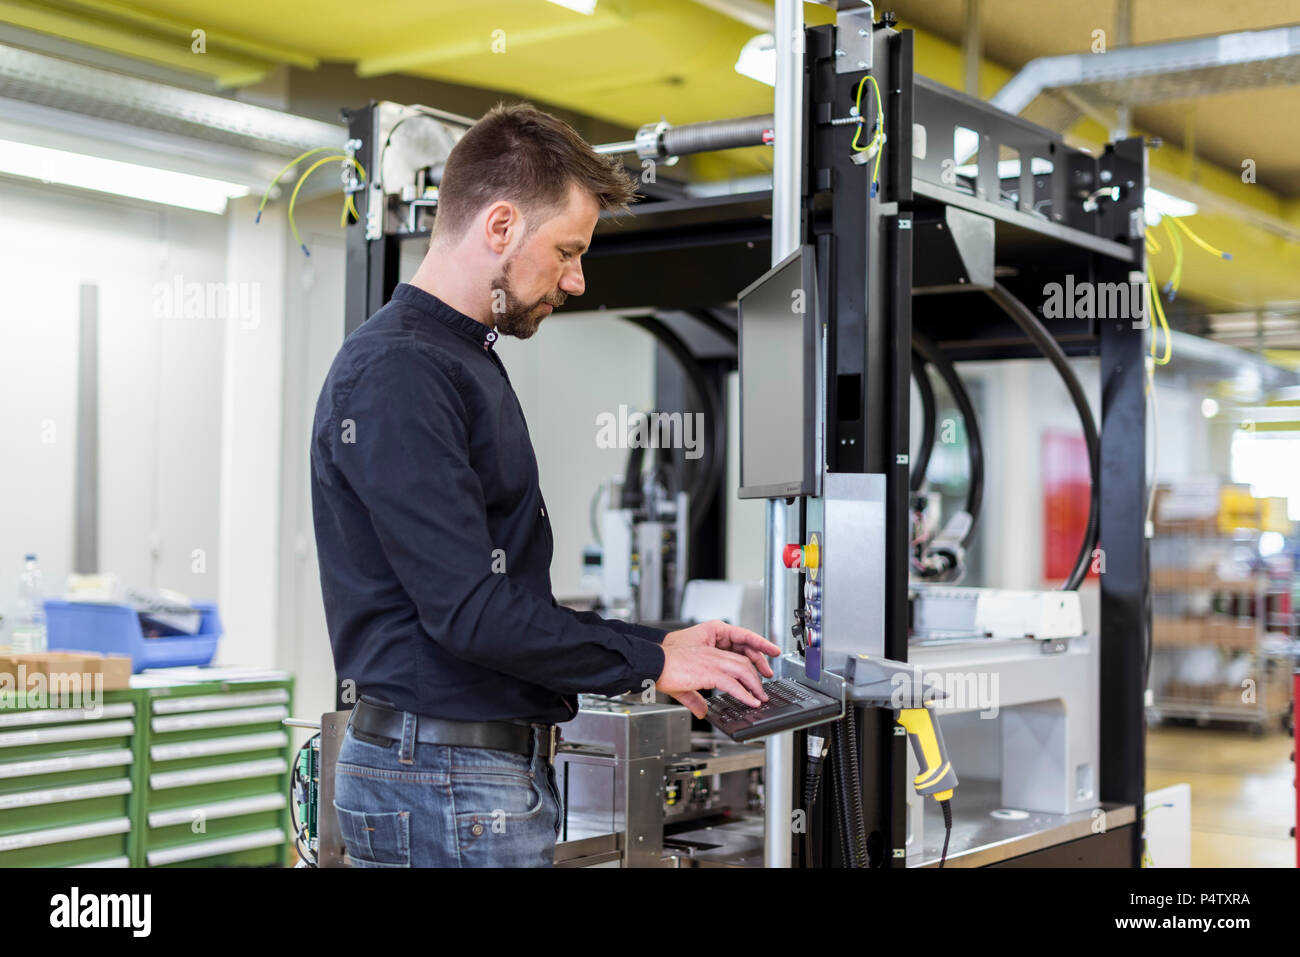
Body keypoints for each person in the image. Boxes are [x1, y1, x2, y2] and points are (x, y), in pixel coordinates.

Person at [310, 101, 780, 867]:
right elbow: (472, 612)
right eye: (566, 250)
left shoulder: (458, 359)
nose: (577, 277)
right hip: (444, 783)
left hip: (462, 779)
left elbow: (498, 600)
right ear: (500, 227)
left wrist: (660, 644)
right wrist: (654, 662)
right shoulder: (400, 372)